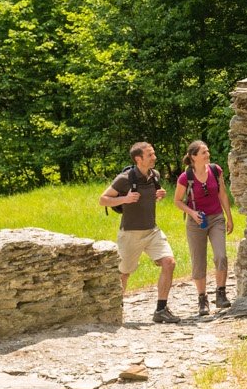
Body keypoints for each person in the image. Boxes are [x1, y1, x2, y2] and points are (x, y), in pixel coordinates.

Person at [99, 141, 183, 324]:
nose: (154, 157)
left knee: (169, 262)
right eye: (150, 155)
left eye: (153, 154)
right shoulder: (125, 178)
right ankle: (115, 310)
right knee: (124, 273)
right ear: (138, 159)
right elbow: (103, 200)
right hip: (130, 233)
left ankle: (161, 310)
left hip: (152, 231)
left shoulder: (155, 175)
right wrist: (125, 198)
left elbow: (147, 198)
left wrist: (156, 196)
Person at [173, 139, 236, 316]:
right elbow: (177, 201)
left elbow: (222, 194)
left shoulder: (216, 170)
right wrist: (191, 213)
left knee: (221, 255)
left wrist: (229, 218)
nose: (208, 154)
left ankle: (221, 293)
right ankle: (202, 299)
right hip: (196, 222)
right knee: (198, 261)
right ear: (194, 157)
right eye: (204, 152)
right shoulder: (186, 177)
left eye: (207, 151)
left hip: (216, 218)